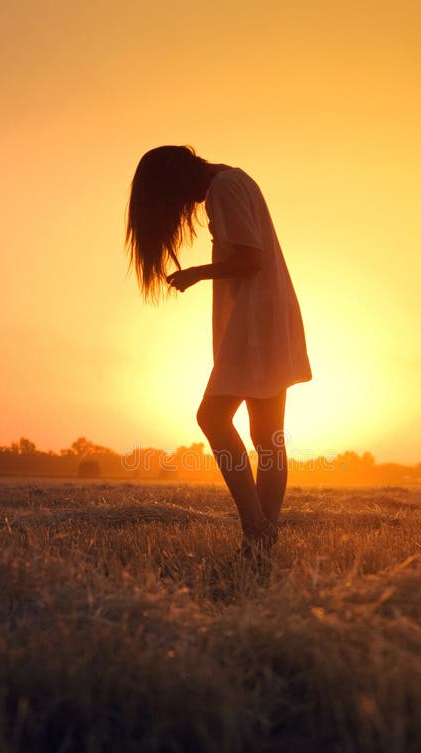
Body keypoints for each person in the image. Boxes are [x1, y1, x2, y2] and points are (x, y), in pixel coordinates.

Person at [125, 145, 312, 557]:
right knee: (267, 436)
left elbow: (250, 258)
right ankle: (260, 541)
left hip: (253, 324)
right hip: (268, 315)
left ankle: (255, 527)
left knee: (211, 417)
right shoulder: (236, 179)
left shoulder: (223, 188)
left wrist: (197, 273)